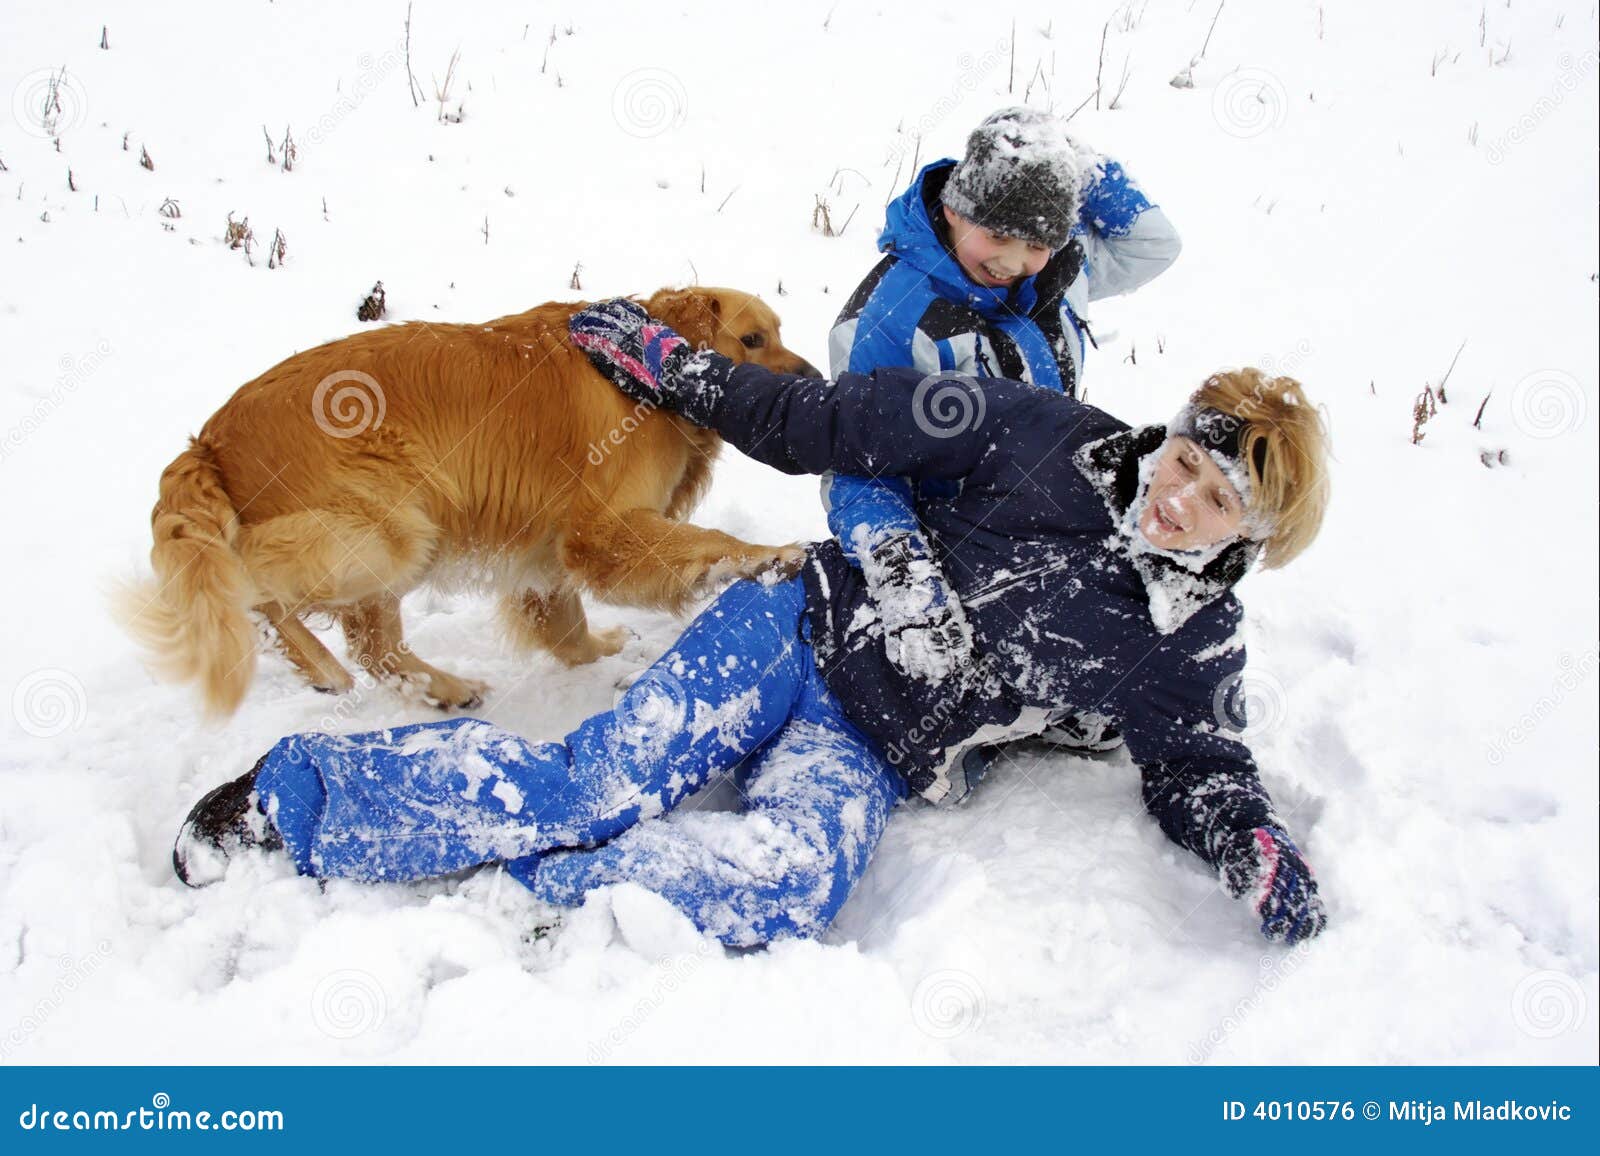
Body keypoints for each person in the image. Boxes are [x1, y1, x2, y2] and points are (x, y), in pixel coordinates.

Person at [173, 298, 1331, 948]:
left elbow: (1200, 763)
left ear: (1252, 536)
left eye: (1216, 498)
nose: (1175, 496)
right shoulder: (1040, 433)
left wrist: (1254, 843)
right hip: (793, 625)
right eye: (1184, 457)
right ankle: (296, 798)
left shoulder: (1191, 641)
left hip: (871, 742)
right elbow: (830, 421)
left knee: (788, 882)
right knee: (596, 778)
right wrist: (681, 370)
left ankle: (552, 900)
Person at [824, 108, 1182, 773]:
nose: (1015, 264)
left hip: (1051, 499)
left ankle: (1072, 682)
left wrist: (1079, 165)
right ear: (956, 210)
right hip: (955, 531)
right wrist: (903, 571)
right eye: (999, 235)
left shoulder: (1055, 273)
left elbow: (1152, 244)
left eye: (1038, 242)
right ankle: (1006, 702)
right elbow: (855, 466)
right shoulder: (892, 320)